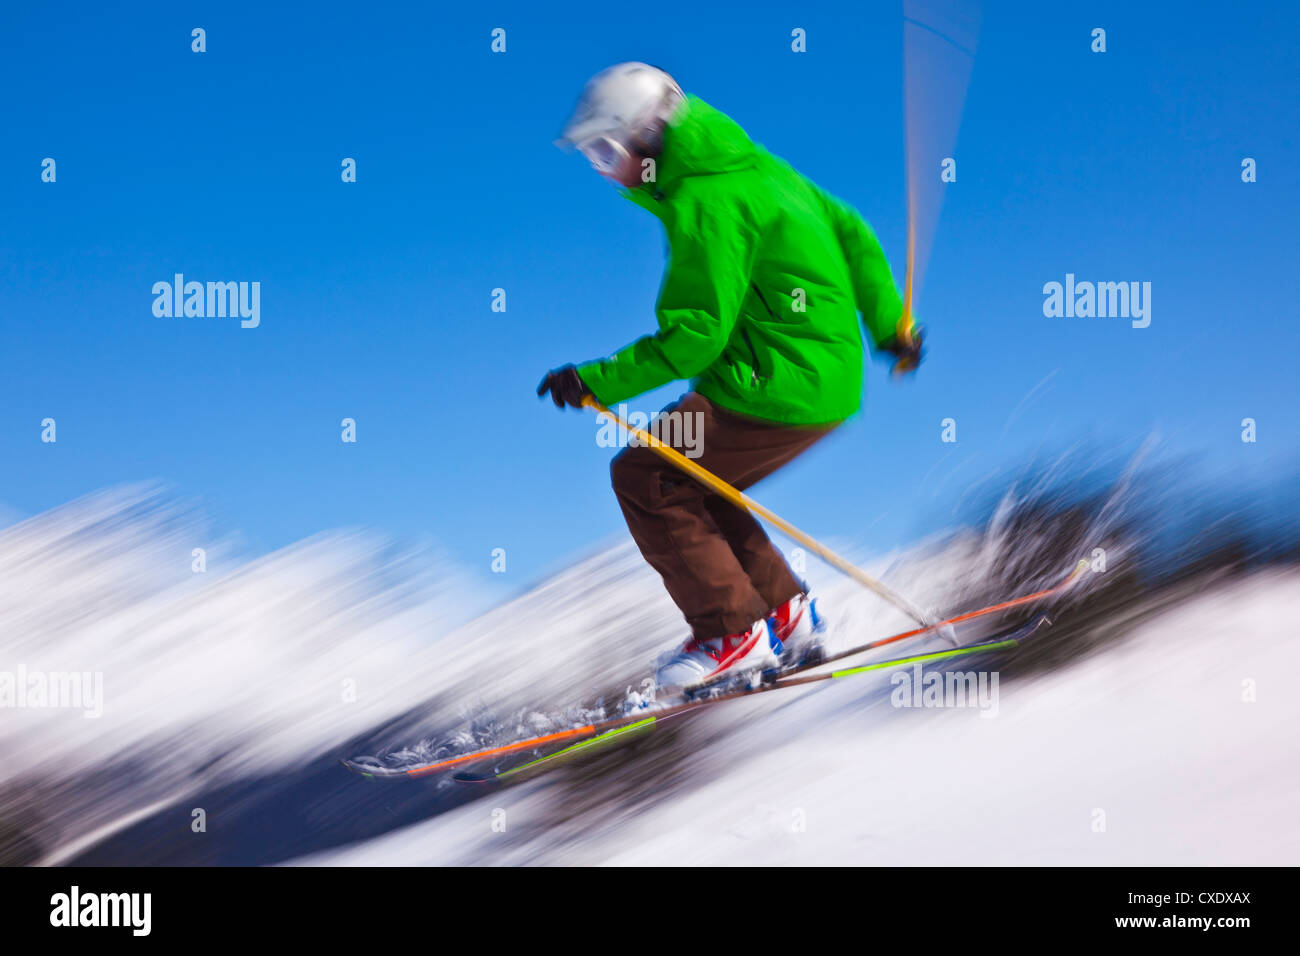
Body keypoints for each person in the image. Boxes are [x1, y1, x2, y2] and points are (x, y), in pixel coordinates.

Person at [539, 63, 922, 692]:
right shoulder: (758, 169)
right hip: (813, 377)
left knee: (649, 476)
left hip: (773, 383)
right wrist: (889, 326)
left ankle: (731, 635)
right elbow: (851, 229)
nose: (605, 170)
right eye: (591, 156)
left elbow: (696, 336)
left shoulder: (705, 200)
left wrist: (594, 381)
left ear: (652, 136)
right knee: (699, 480)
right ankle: (784, 614)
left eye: (607, 150)